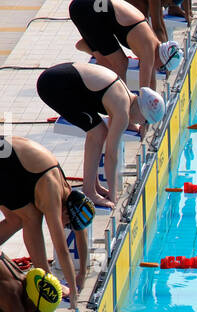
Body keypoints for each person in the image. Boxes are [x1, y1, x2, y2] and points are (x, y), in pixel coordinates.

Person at [0, 135, 93, 299]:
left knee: (15, 220)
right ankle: (45, 282)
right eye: (67, 223)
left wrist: (82, 273)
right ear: (66, 211)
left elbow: (81, 232)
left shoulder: (66, 191)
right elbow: (61, 249)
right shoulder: (52, 195)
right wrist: (73, 292)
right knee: (31, 217)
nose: (65, 226)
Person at [35, 62, 164, 209]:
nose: (143, 124)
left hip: (59, 77)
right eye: (146, 121)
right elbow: (110, 156)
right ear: (142, 112)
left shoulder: (126, 97)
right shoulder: (122, 113)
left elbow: (124, 116)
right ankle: (90, 191)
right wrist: (114, 196)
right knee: (98, 133)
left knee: (98, 131)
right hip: (55, 86)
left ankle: (93, 186)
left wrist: (135, 125)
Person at [68, 0, 181, 92]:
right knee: (120, 64)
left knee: (108, 63)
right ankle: (119, 104)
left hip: (90, 5)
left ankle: (89, 45)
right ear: (162, 58)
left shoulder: (153, 44)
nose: (158, 69)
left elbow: (151, 81)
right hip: (88, 9)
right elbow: (145, 89)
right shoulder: (148, 49)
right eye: (162, 67)